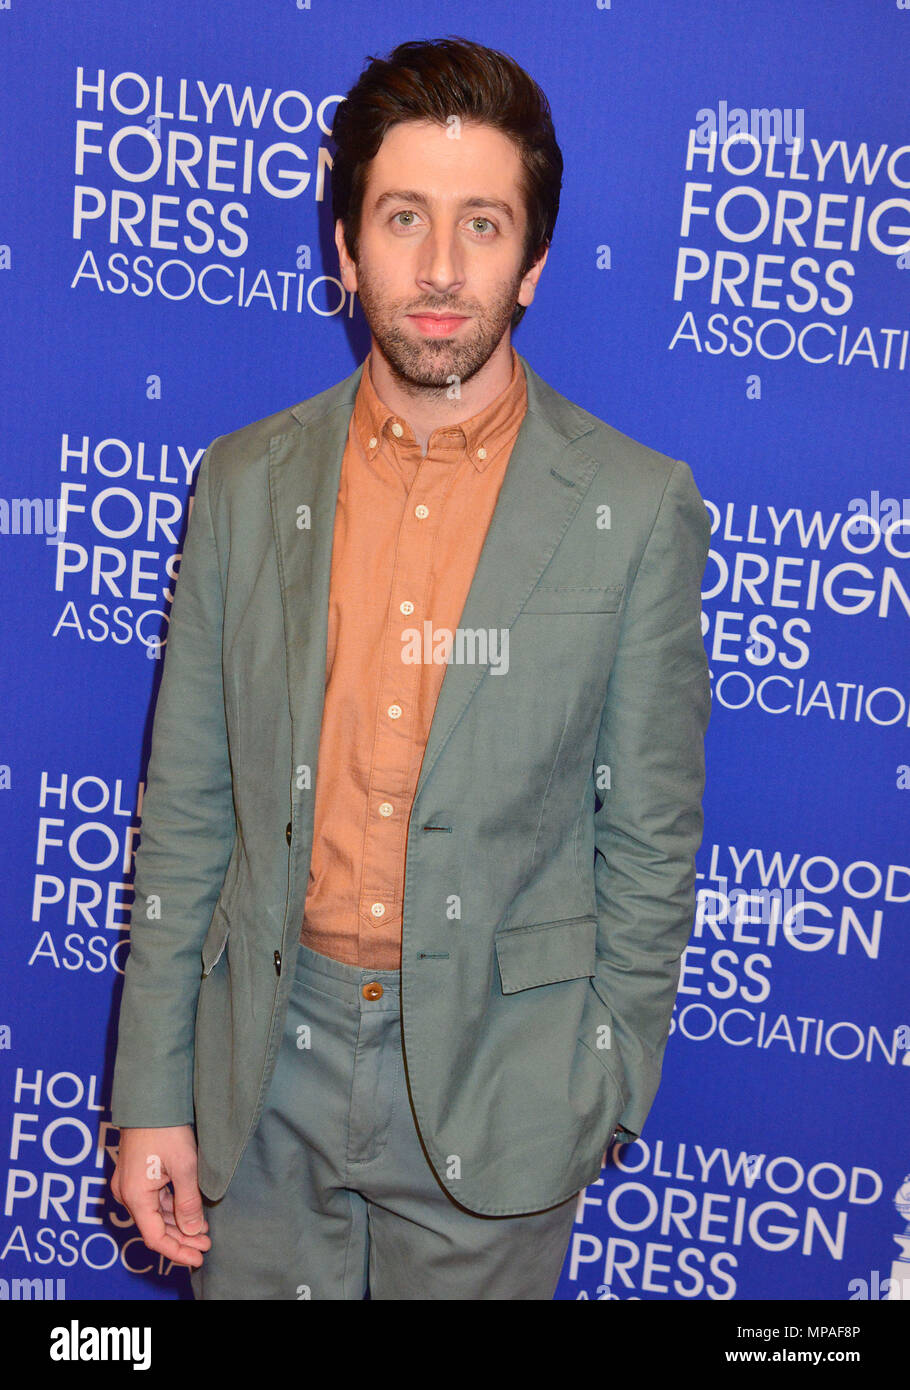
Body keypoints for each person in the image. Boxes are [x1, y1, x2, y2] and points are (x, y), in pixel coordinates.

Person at [110, 36, 712, 1300]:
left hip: (505, 1084)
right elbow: (187, 820)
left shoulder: (635, 505)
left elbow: (650, 841)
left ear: (534, 261)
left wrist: (594, 1086)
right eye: (402, 218)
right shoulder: (240, 482)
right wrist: (154, 1095)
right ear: (344, 246)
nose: (440, 270)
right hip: (257, 1075)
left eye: (483, 224)